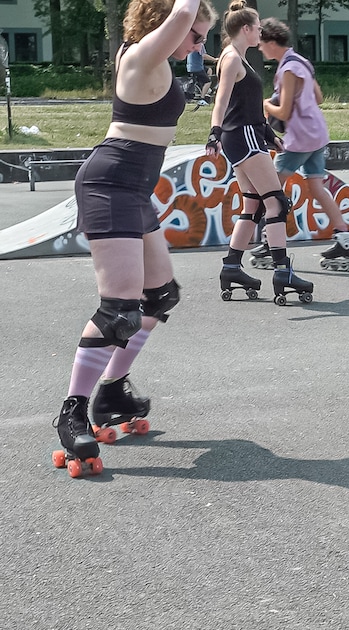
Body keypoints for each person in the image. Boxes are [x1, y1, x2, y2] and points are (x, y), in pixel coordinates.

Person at [52, 0, 215, 478]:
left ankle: (112, 391)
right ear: (165, 23)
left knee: (160, 296)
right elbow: (184, 13)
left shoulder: (151, 57)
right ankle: (72, 412)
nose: (198, 46)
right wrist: (185, 16)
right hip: (110, 184)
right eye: (197, 36)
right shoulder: (142, 57)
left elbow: (186, 19)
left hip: (134, 187)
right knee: (118, 311)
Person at [207, 1, 314, 304]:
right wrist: (214, 133)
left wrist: (269, 134)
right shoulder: (231, 60)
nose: (261, 32)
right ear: (245, 29)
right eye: (257, 27)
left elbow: (247, 105)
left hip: (248, 136)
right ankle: (283, 272)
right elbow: (222, 101)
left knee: (252, 204)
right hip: (242, 138)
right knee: (277, 202)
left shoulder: (239, 57)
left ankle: (231, 267)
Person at [258, 18, 349, 272]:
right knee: (317, 187)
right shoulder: (301, 62)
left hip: (299, 138)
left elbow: (284, 110)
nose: (259, 49)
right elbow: (319, 97)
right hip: (316, 133)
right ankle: (345, 240)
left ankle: (271, 243)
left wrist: (266, 104)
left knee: (271, 188)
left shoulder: (288, 70)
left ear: (271, 43)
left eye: (261, 44)